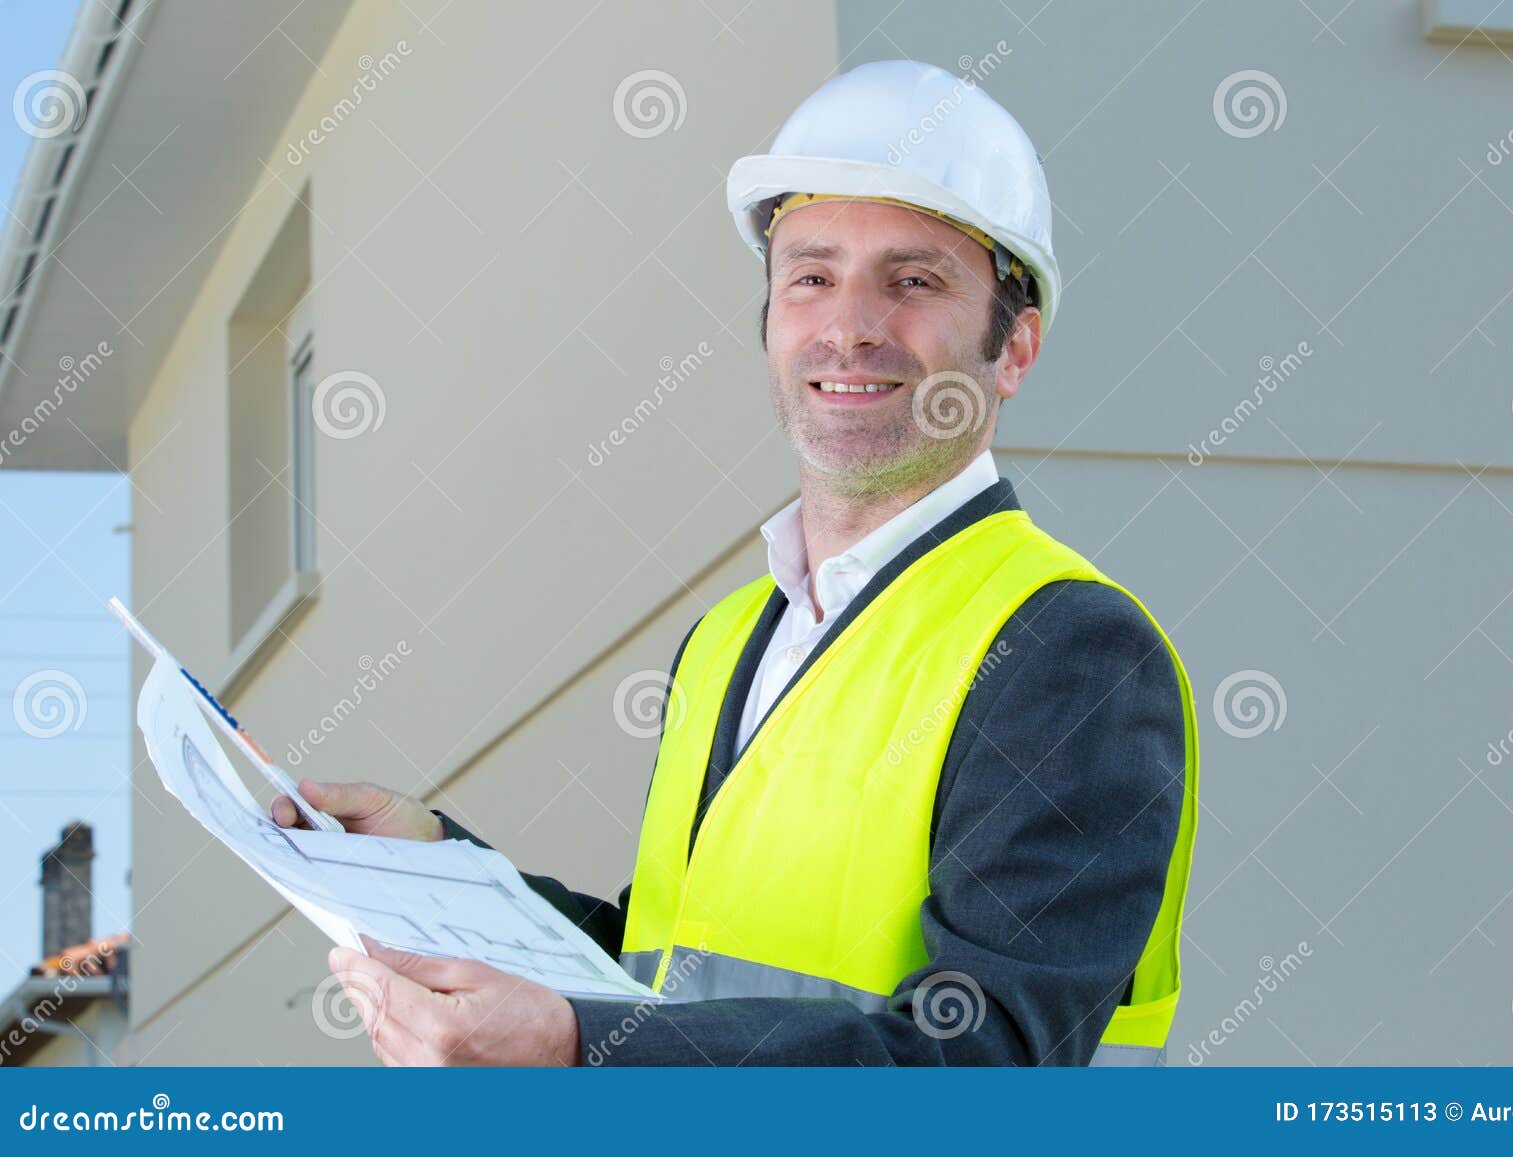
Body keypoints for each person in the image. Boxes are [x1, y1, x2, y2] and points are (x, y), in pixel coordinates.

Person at [273, 58, 1199, 1067]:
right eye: (810, 275)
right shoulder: (725, 642)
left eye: (914, 280)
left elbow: (982, 1058)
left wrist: (580, 1052)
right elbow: (665, 974)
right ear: (769, 320)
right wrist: (441, 869)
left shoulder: (1069, 648)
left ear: (1012, 350)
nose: (848, 326)